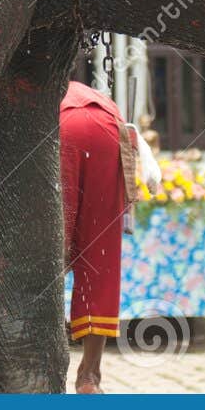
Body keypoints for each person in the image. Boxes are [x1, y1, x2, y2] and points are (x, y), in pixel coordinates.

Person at [60, 79, 138, 393]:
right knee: (100, 258)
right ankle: (89, 376)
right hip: (111, 127)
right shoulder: (90, 93)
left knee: (52, 247)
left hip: (64, 126)